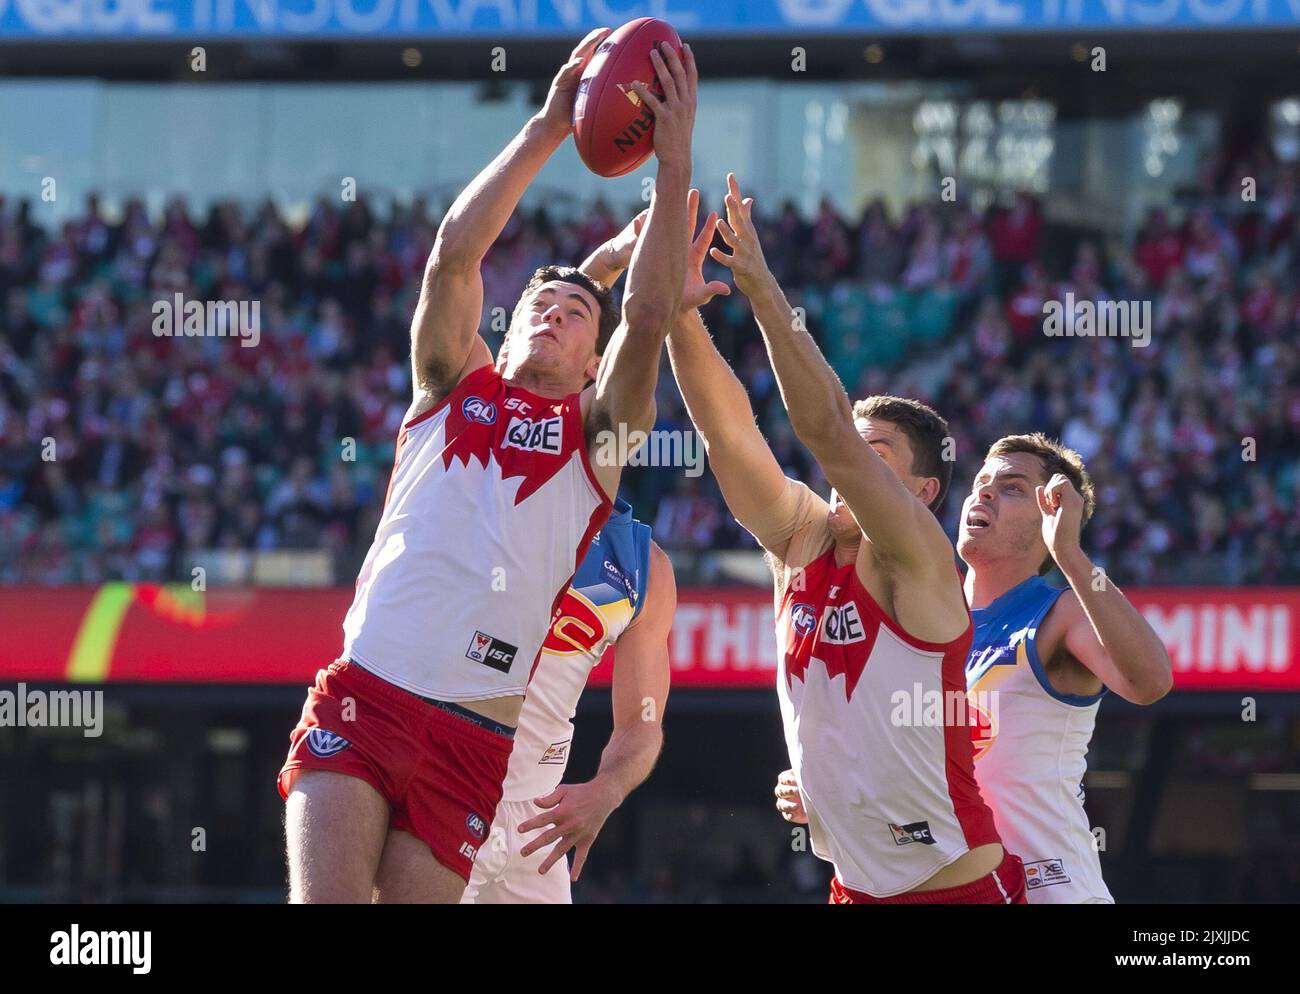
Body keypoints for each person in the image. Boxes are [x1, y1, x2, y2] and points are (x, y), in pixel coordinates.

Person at [278, 30, 698, 903]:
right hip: (371, 690)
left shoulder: (597, 441)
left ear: (596, 361)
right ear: (503, 330)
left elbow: (650, 313)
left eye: (580, 308)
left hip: (475, 741)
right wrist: (549, 125)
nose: (555, 309)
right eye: (540, 300)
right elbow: (453, 256)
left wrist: (674, 159)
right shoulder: (447, 386)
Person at [673, 175, 1021, 903]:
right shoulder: (800, 543)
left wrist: (762, 288)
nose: (847, 469)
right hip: (853, 888)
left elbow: (826, 430)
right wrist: (677, 315)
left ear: (923, 494)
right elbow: (726, 431)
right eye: (857, 452)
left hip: (950, 889)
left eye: (877, 454)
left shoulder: (912, 556)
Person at [958, 433, 1172, 902]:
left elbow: (1151, 683)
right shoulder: (930, 622)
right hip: (957, 890)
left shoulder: (1061, 614)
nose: (985, 492)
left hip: (1051, 892)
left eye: (1012, 487)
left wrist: (1070, 556)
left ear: (1051, 519)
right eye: (981, 482)